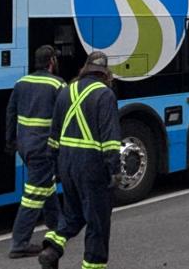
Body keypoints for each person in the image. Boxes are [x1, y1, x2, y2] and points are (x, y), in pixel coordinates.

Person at [38, 51, 122, 269]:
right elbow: (110, 138)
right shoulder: (105, 94)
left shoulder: (66, 91)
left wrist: (55, 166)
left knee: (73, 215)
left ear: (84, 69)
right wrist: (115, 169)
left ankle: (51, 249)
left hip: (67, 164)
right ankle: (92, 266)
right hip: (92, 167)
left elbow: (54, 135)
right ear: (105, 74)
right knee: (98, 223)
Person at [6, 45, 67, 259]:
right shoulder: (58, 84)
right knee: (34, 195)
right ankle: (19, 243)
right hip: (44, 148)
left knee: (45, 185)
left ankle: (59, 227)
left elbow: (11, 113)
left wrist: (11, 141)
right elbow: (64, 120)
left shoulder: (21, 83)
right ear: (51, 61)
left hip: (25, 146)